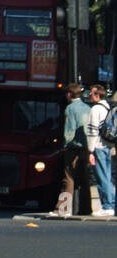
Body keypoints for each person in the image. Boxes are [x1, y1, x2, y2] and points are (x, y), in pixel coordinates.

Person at [49, 83, 90, 217]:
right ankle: (86, 208)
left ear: (69, 94)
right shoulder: (87, 108)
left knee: (68, 178)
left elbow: (69, 130)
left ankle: (62, 209)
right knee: (84, 179)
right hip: (86, 147)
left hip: (73, 148)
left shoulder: (70, 109)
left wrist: (65, 145)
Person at [85, 84, 114, 217]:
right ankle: (112, 204)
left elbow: (92, 131)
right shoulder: (108, 107)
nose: (89, 95)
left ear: (97, 95)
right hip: (108, 145)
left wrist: (90, 150)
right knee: (108, 176)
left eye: (91, 93)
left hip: (98, 146)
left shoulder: (95, 109)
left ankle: (107, 206)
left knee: (102, 177)